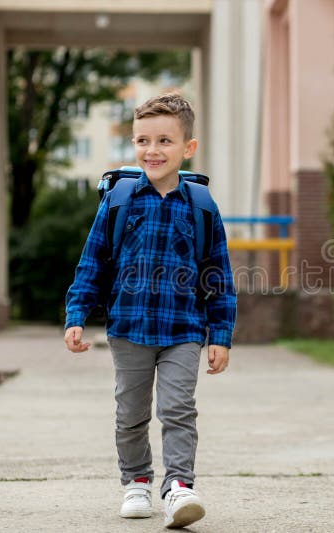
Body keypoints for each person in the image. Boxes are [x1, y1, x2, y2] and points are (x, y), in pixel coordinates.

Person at [63, 93, 237, 529]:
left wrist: (220, 335)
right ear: (133, 144)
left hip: (184, 330)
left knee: (179, 410)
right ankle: (136, 482)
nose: (152, 150)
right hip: (129, 329)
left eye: (164, 141)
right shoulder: (119, 201)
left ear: (188, 148)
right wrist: (76, 314)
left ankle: (178, 487)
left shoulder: (201, 207)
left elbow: (217, 276)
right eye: (143, 141)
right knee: (131, 413)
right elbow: (93, 262)